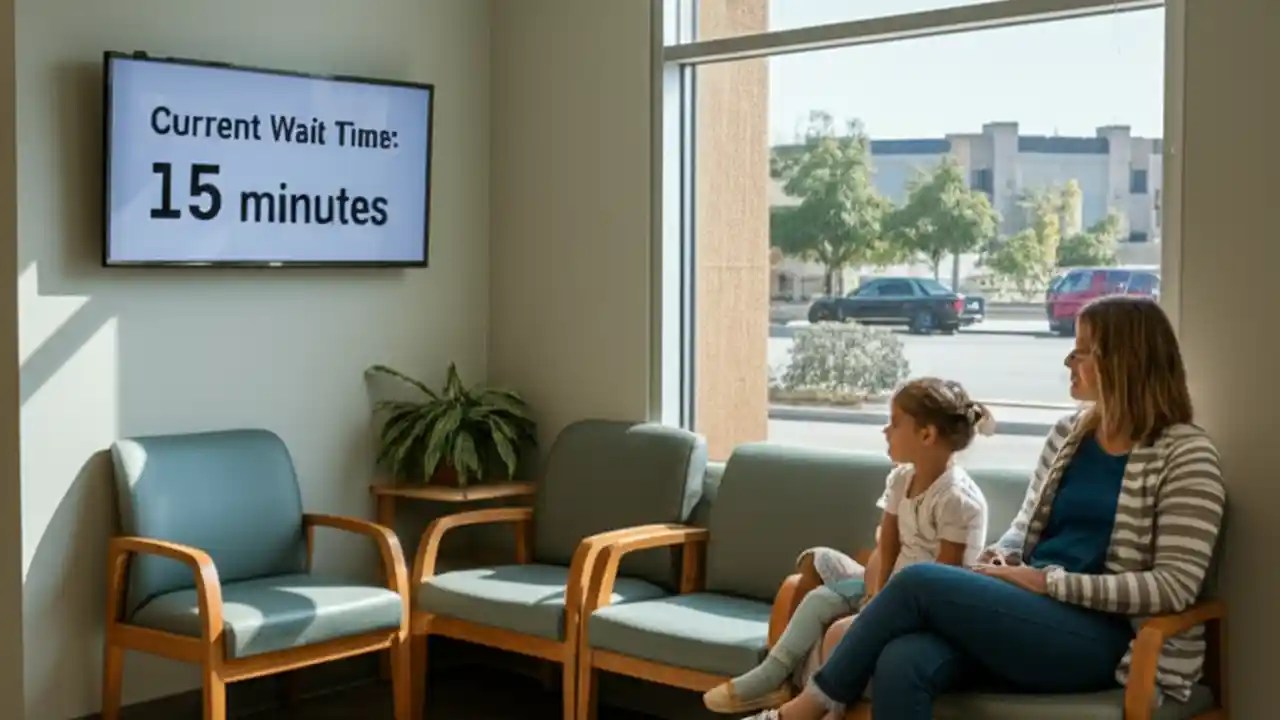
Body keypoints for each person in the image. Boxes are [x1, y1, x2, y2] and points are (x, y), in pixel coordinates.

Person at [746, 296, 1227, 720]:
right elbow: (1024, 527)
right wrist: (1001, 558)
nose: (1068, 360)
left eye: (1082, 351)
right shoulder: (1070, 434)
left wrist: (1043, 581)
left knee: (918, 580)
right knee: (903, 659)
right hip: (1030, 614)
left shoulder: (1186, 455)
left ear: (1123, 360)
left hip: (1104, 639)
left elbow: (1175, 586)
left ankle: (799, 711)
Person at [703, 377, 995, 714]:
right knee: (817, 599)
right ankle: (772, 676)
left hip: (926, 607)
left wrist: (881, 610)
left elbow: (945, 579)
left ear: (926, 435)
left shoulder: (956, 499)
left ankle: (821, 710)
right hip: (890, 589)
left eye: (895, 423)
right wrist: (876, 594)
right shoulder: (902, 479)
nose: (885, 431)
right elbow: (888, 541)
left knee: (840, 633)